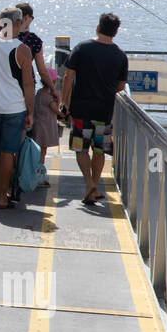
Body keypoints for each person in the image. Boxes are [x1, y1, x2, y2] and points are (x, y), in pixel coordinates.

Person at [62, 12, 129, 205]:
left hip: (81, 110)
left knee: (80, 148)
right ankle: (95, 187)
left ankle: (89, 183)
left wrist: (64, 102)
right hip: (104, 112)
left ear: (97, 27)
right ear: (115, 33)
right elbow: (121, 86)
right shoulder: (120, 56)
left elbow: (68, 76)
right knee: (99, 150)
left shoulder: (82, 48)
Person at [0, 6, 34, 209]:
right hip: (13, 108)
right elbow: (28, 84)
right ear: (17, 23)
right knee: (7, 153)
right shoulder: (22, 49)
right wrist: (31, 112)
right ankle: (3, 196)